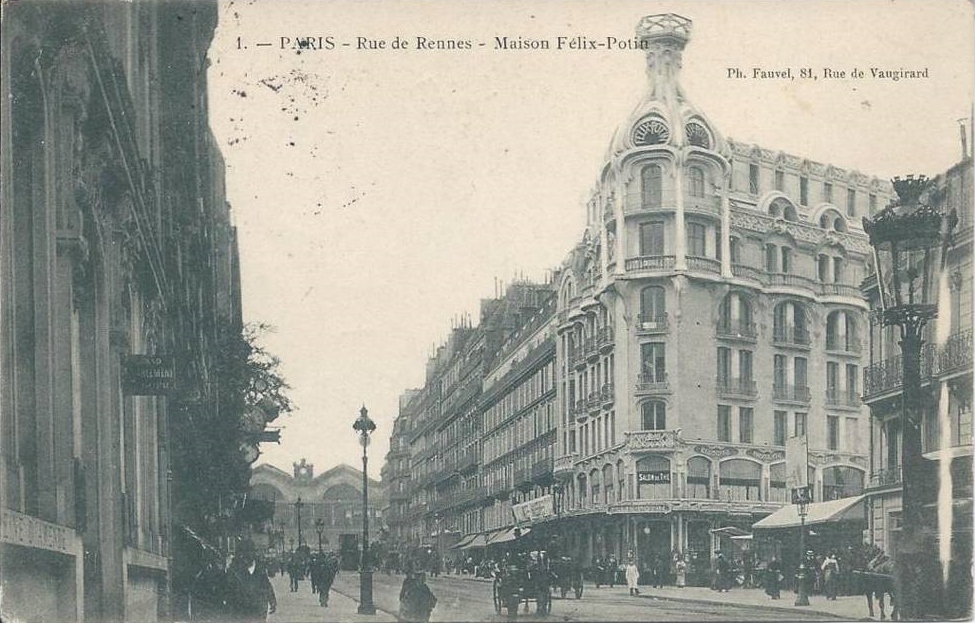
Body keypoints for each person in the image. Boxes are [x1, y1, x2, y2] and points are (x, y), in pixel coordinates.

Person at [225, 543, 276, 623]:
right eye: (245, 554)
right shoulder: (234, 570)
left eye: (251, 552)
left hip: (258, 609)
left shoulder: (260, 568)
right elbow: (228, 590)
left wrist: (272, 601)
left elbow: (267, 585)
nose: (248, 556)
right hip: (241, 611)